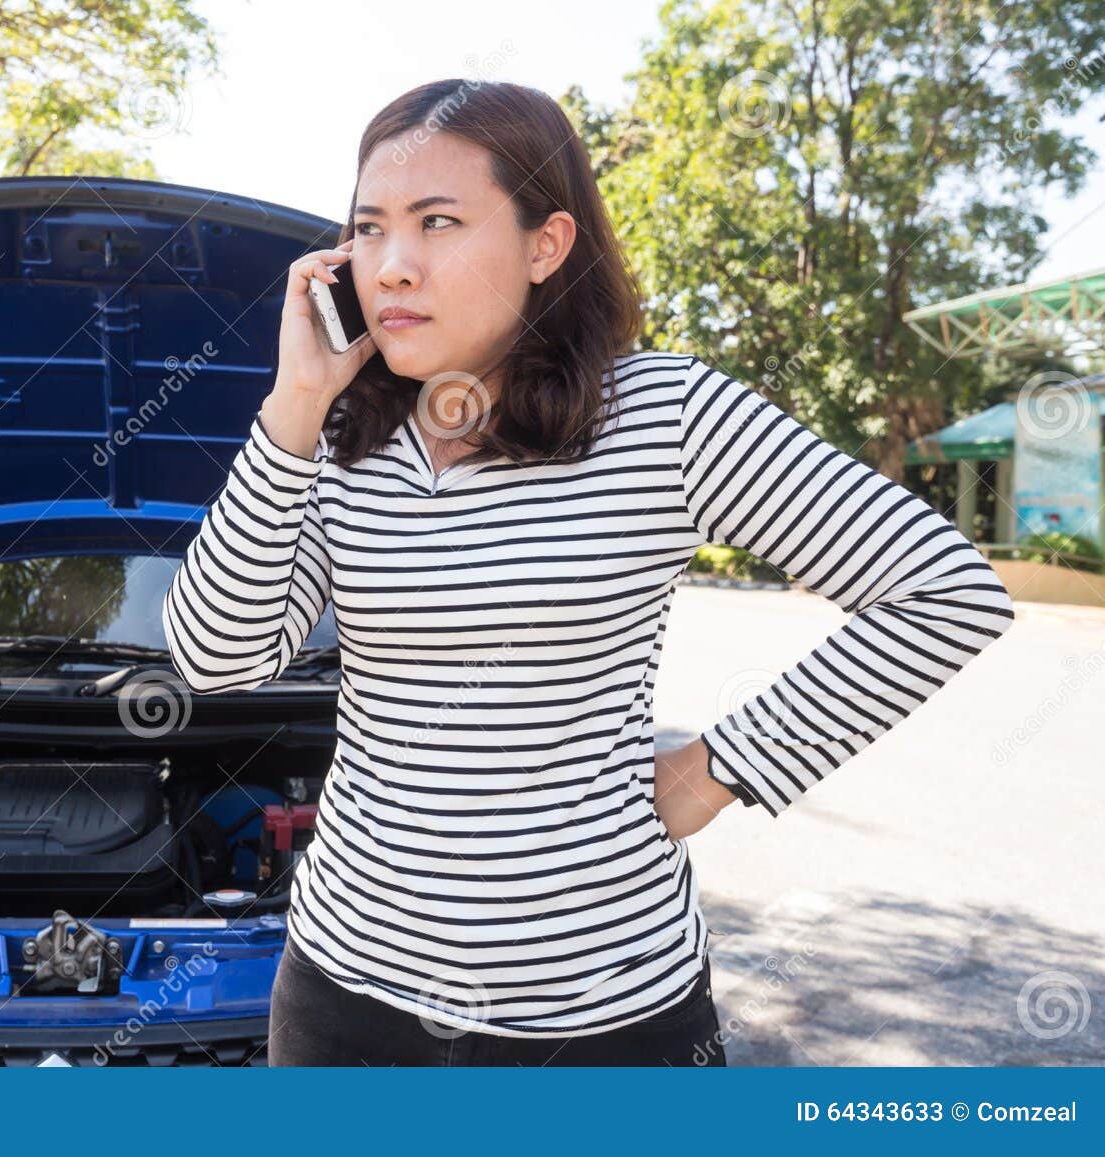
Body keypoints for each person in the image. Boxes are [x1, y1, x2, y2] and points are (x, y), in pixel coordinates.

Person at [160, 78, 1015, 1066]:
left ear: (546, 244)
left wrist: (714, 772)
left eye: (438, 222)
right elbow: (215, 656)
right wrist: (295, 406)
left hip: (605, 1012)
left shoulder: (664, 415)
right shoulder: (341, 436)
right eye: (369, 228)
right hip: (343, 998)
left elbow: (942, 591)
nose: (392, 265)